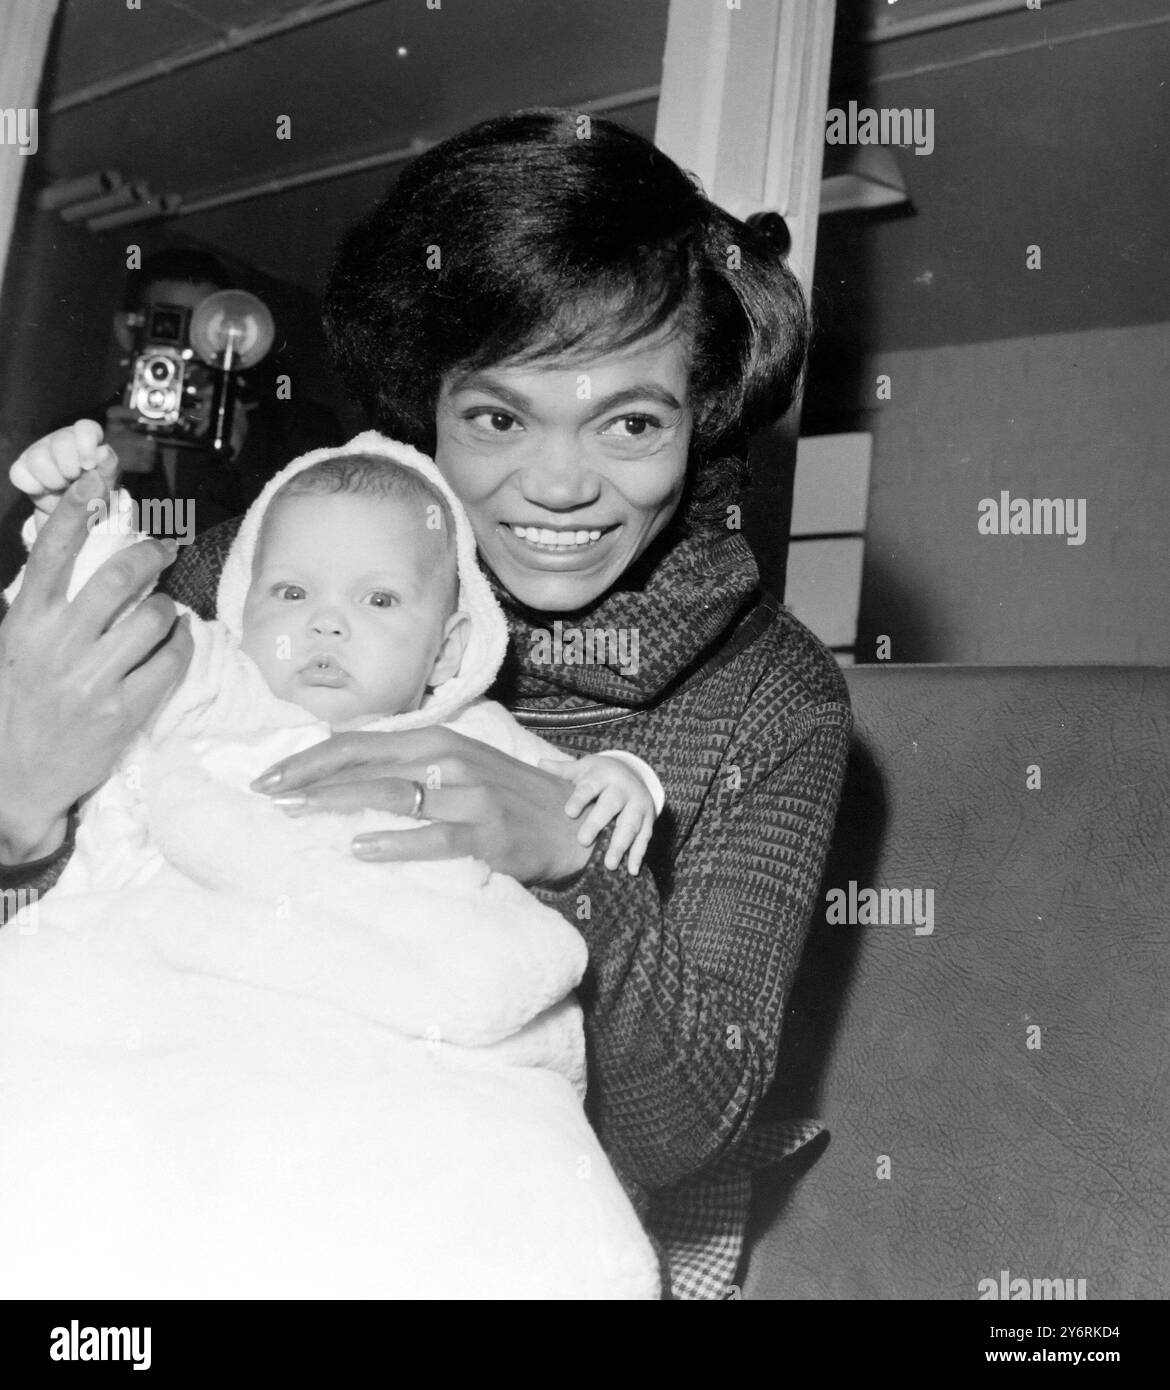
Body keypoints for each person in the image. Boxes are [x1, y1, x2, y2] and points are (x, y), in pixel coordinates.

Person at [0, 108, 852, 1299]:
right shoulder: (287, 567)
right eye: (498, 417)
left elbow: (682, 1135)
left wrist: (580, 868)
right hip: (178, 1124)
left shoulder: (772, 695)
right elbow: (83, 906)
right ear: (428, 408)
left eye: (632, 422)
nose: (558, 486)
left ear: (701, 419)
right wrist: (18, 814)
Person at [0, 422, 663, 1297]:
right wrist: (81, 515)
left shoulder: (475, 739)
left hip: (418, 1030)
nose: (326, 622)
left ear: (451, 648)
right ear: (241, 612)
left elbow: (570, 796)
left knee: (503, 1193)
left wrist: (626, 779)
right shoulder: (225, 701)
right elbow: (122, 624)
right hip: (211, 999)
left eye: (380, 601)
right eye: (289, 592)